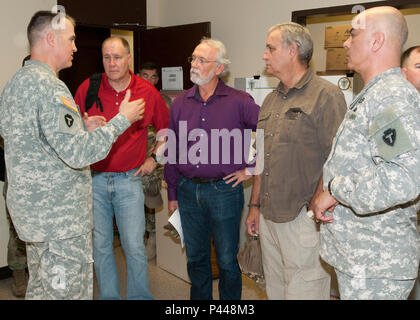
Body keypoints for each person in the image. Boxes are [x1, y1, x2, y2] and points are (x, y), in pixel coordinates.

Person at [0, 11, 145, 300]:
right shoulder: (52, 88)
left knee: (41, 291)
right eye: (71, 39)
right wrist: (122, 120)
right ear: (50, 39)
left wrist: (80, 126)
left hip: (35, 219)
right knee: (65, 294)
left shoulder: (16, 84)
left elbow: (40, 141)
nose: (75, 47)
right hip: (60, 224)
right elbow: (78, 154)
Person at [312, 6, 420, 300]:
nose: (345, 42)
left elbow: (402, 178)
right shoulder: (375, 93)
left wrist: (336, 189)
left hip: (377, 263)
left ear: (376, 42)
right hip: (363, 259)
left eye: (353, 34)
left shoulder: (389, 97)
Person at [245, 22, 347, 300]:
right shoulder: (269, 101)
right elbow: (261, 159)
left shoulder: (326, 96)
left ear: (293, 50)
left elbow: (338, 159)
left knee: (306, 292)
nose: (264, 55)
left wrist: (313, 211)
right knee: (276, 292)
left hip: (302, 219)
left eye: (270, 48)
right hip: (268, 217)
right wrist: (254, 207)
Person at [164, 37, 260, 300]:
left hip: (224, 192)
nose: (194, 65)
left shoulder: (240, 100)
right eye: (193, 58)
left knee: (228, 261)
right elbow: (172, 148)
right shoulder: (181, 103)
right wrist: (172, 193)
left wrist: (251, 169)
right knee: (196, 259)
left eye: (201, 60)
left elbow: (269, 131)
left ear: (219, 68)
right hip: (186, 190)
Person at [74, 37, 169, 300]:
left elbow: (167, 130)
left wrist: (154, 159)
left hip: (129, 180)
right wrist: (84, 126)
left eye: (117, 57)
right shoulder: (88, 88)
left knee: (133, 247)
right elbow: (70, 132)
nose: (112, 63)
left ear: (129, 59)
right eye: (106, 57)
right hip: (93, 180)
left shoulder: (146, 92)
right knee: (101, 246)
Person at [1, 55, 32, 298]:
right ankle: (19, 275)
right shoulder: (10, 97)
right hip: (18, 177)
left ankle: (38, 274)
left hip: (44, 180)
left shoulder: (52, 95)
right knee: (18, 230)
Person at [137, 61, 171, 260]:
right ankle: (139, 239)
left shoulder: (164, 100)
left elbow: (171, 129)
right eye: (145, 75)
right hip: (134, 161)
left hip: (157, 161)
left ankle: (153, 238)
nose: (149, 80)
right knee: (136, 203)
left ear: (157, 79)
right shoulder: (131, 99)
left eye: (153, 76)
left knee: (154, 201)